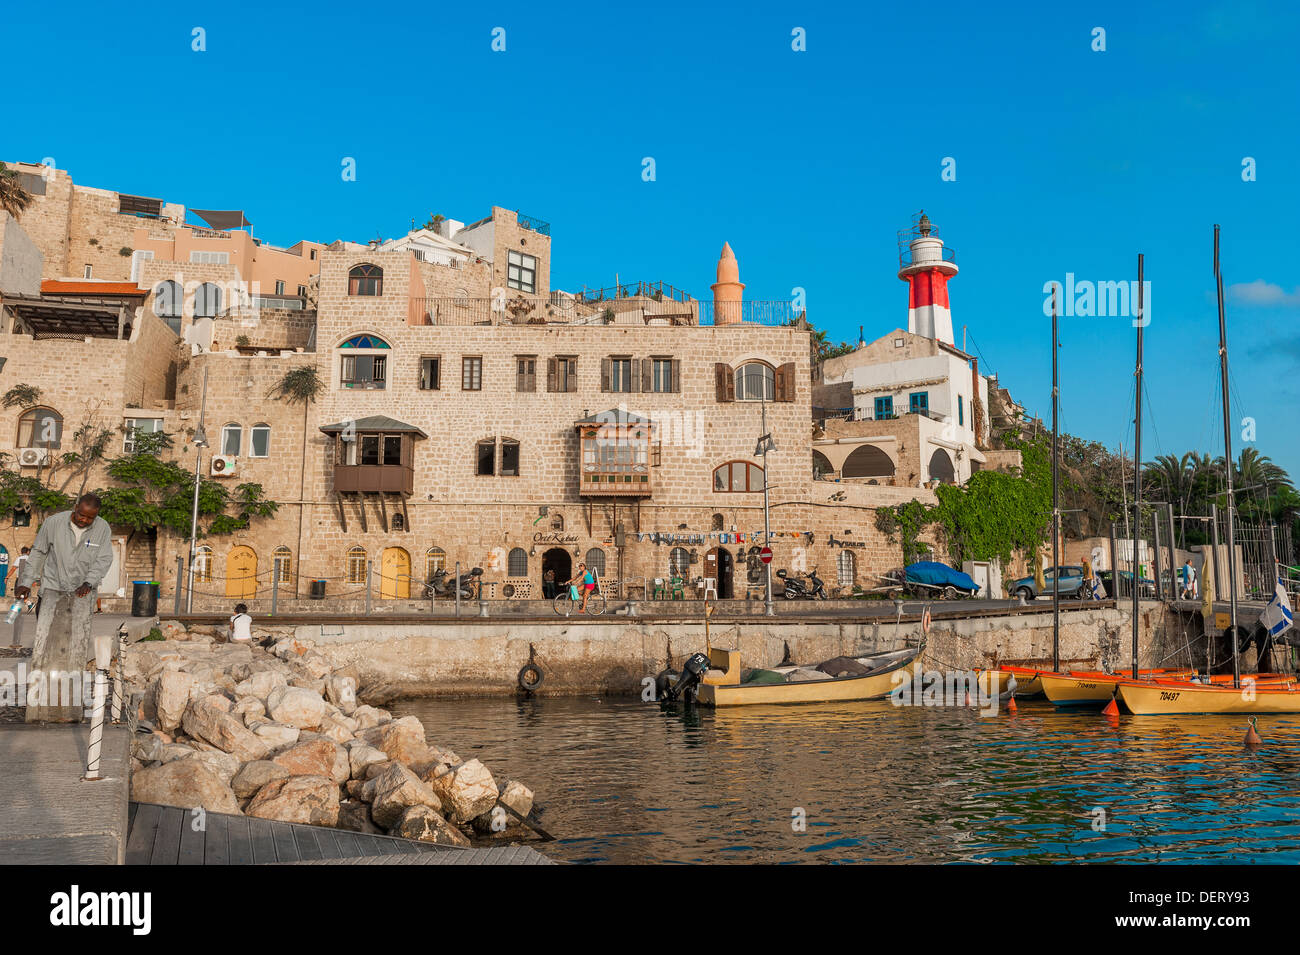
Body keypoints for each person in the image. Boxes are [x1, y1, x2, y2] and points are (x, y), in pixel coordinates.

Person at [15, 494, 114, 722]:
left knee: (74, 651)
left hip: (82, 595)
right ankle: (40, 706)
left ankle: (68, 709)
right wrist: (25, 582)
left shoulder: (103, 528)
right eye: (81, 515)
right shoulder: (53, 523)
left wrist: (90, 582)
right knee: (46, 650)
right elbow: (38, 553)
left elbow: (104, 559)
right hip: (51, 590)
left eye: (90, 518)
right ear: (75, 507)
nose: (84, 521)